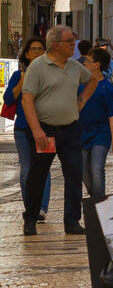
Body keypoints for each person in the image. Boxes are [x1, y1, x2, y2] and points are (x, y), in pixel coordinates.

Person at [19, 26, 99, 235]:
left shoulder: (74, 66)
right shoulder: (38, 66)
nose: (74, 45)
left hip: (70, 130)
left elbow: (92, 80)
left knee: (74, 174)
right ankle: (30, 218)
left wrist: (82, 101)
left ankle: (72, 221)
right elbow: (27, 99)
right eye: (69, 42)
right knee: (38, 175)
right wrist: (37, 130)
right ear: (56, 45)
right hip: (45, 130)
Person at [3, 37, 51, 221]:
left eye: (41, 49)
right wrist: (22, 82)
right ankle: (30, 207)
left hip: (46, 127)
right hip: (23, 128)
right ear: (27, 54)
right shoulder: (18, 75)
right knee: (26, 169)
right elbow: (8, 100)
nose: (38, 52)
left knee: (44, 168)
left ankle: (41, 208)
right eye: (34, 49)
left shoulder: (51, 75)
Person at [78, 47, 113, 199]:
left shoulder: (107, 88)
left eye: (88, 61)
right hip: (81, 134)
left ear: (97, 64)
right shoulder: (80, 85)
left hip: (100, 136)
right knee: (84, 172)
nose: (84, 63)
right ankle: (96, 198)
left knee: (96, 169)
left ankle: (99, 203)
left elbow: (112, 116)